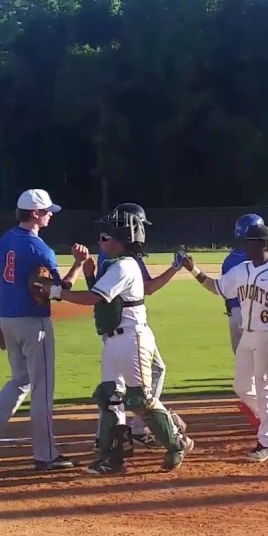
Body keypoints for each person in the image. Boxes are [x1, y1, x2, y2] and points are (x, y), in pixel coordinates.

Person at [54, 204, 194, 475]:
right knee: (109, 397)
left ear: (122, 240)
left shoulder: (126, 266)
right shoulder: (116, 266)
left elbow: (94, 298)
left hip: (133, 338)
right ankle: (111, 458)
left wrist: (56, 292)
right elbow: (103, 298)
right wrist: (87, 273)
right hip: (114, 338)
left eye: (105, 237)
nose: (100, 241)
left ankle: (176, 443)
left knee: (139, 399)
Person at [0, 189, 75, 472]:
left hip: (9, 319)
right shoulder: (40, 249)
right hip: (33, 322)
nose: (51, 214)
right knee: (41, 389)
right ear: (35, 214)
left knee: (19, 380)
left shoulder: (5, 241)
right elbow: (59, 290)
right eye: (47, 210)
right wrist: (77, 265)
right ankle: (46, 454)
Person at [184, 222, 268, 461]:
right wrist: (193, 269)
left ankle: (267, 443)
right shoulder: (242, 269)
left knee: (264, 388)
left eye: (251, 242)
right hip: (247, 334)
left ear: (265, 244)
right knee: (242, 387)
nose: (246, 245)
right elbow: (217, 287)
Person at [89, 202, 185, 450]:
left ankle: (111, 438)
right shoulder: (124, 257)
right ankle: (142, 428)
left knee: (113, 387)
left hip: (113, 325)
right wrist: (175, 267)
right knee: (149, 375)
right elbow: (148, 288)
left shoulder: (111, 252)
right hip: (127, 328)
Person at [222, 213, 266, 431]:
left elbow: (225, 292)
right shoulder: (263, 259)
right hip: (255, 316)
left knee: (244, 364)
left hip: (235, 314)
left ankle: (255, 405)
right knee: (261, 367)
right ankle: (263, 410)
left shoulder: (229, 260)